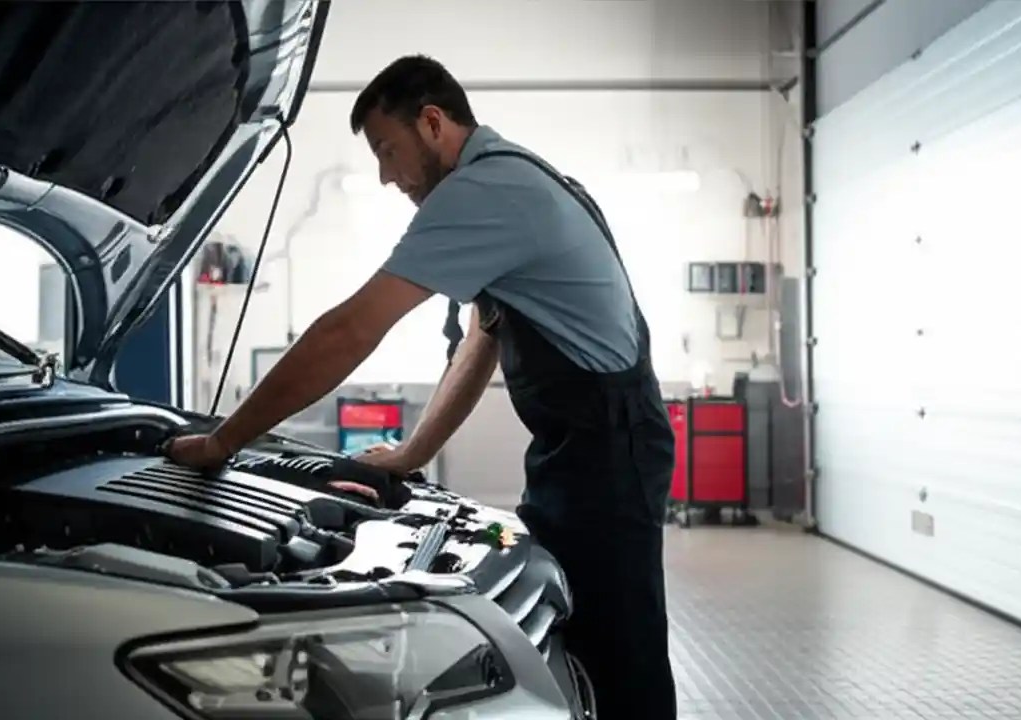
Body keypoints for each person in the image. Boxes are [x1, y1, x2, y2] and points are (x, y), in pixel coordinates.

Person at [165, 54, 678, 719]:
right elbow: (481, 341)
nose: (384, 175)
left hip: (610, 447)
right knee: (578, 639)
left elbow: (349, 331)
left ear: (432, 123)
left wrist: (223, 442)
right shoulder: (517, 179)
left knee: (623, 654)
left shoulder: (488, 191)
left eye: (387, 149)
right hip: (584, 448)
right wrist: (410, 454)